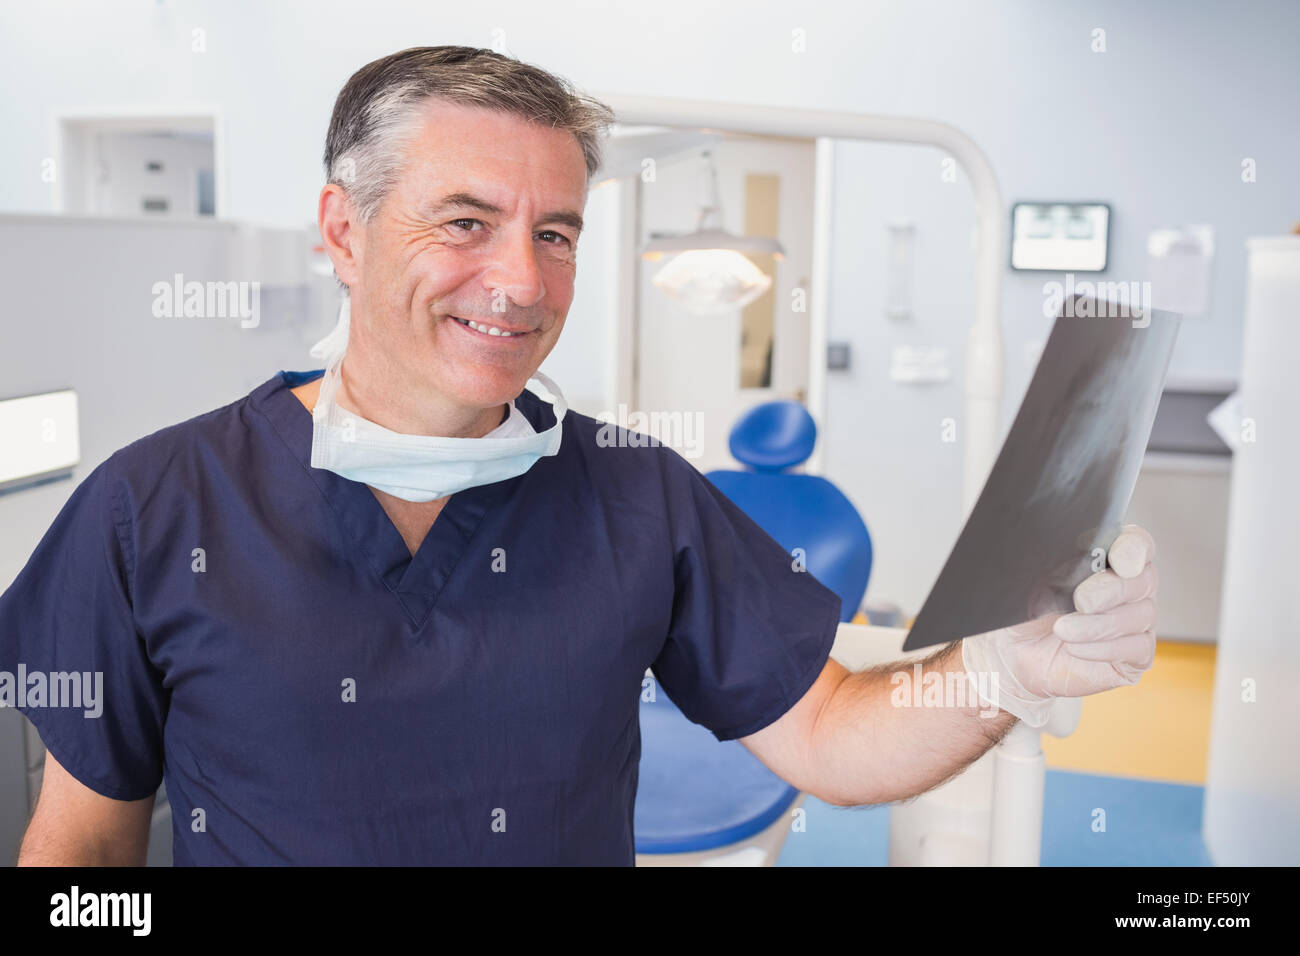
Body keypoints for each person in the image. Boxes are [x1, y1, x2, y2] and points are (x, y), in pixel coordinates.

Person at [3, 46, 1157, 866]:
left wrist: (1005, 668)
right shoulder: (151, 510)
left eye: (554, 233)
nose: (520, 280)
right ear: (344, 232)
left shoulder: (638, 496)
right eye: (465, 220)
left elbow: (829, 732)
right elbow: (84, 850)